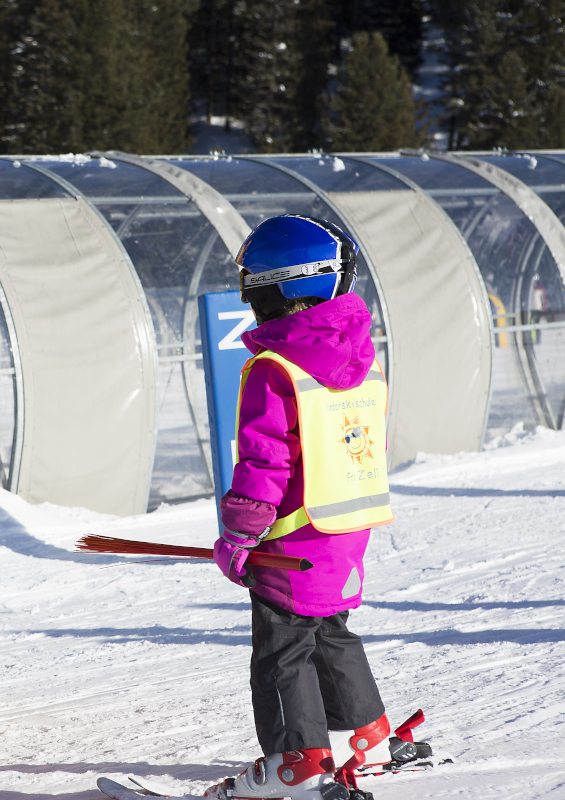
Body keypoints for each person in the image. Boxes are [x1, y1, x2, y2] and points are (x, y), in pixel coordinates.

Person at [207, 216, 399, 800]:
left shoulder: (275, 368)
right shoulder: (362, 355)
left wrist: (239, 537)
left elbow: (265, 466)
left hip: (287, 541)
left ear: (285, 291)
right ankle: (368, 735)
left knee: (283, 650)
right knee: (331, 632)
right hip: (345, 531)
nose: (253, 309)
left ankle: (299, 761)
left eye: (257, 295)